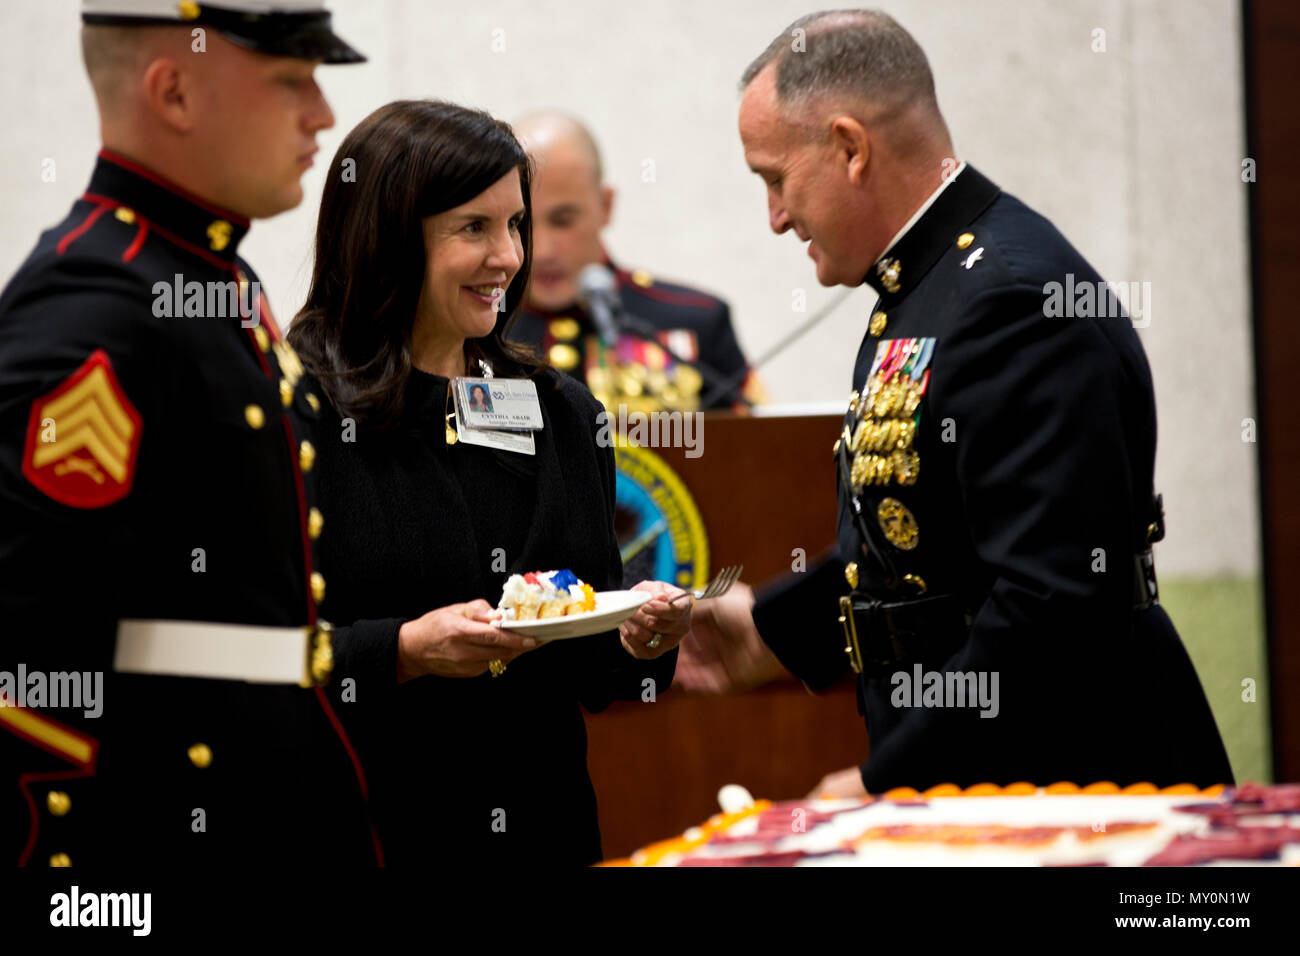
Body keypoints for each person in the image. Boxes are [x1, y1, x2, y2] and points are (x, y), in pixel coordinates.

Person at [679, 10, 1234, 797]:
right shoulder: (932, 284)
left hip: (1071, 785)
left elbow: (1053, 605)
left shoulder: (1012, 300)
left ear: (849, 147)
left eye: (775, 178)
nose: (774, 218)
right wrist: (766, 630)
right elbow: (927, 552)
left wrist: (890, 780)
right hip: (1012, 777)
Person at [0, 1, 384, 866]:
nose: (323, 112)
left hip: (273, 789)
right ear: (173, 91)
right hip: (166, 821)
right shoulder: (94, 300)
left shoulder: (214, 276)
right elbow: (29, 635)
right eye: (292, 80)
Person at [287, 100, 691, 866]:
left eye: (516, 225)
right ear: (388, 237)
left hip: (545, 837)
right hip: (366, 835)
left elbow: (595, 657)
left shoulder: (562, 411)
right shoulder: (296, 413)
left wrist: (640, 640)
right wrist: (403, 652)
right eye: (474, 228)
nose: (508, 258)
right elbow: (244, 662)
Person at [507, 111, 767, 413]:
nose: (543, 251)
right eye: (521, 223)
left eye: (563, 220)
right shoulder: (477, 332)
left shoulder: (695, 321)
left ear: (605, 206)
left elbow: (757, 447)